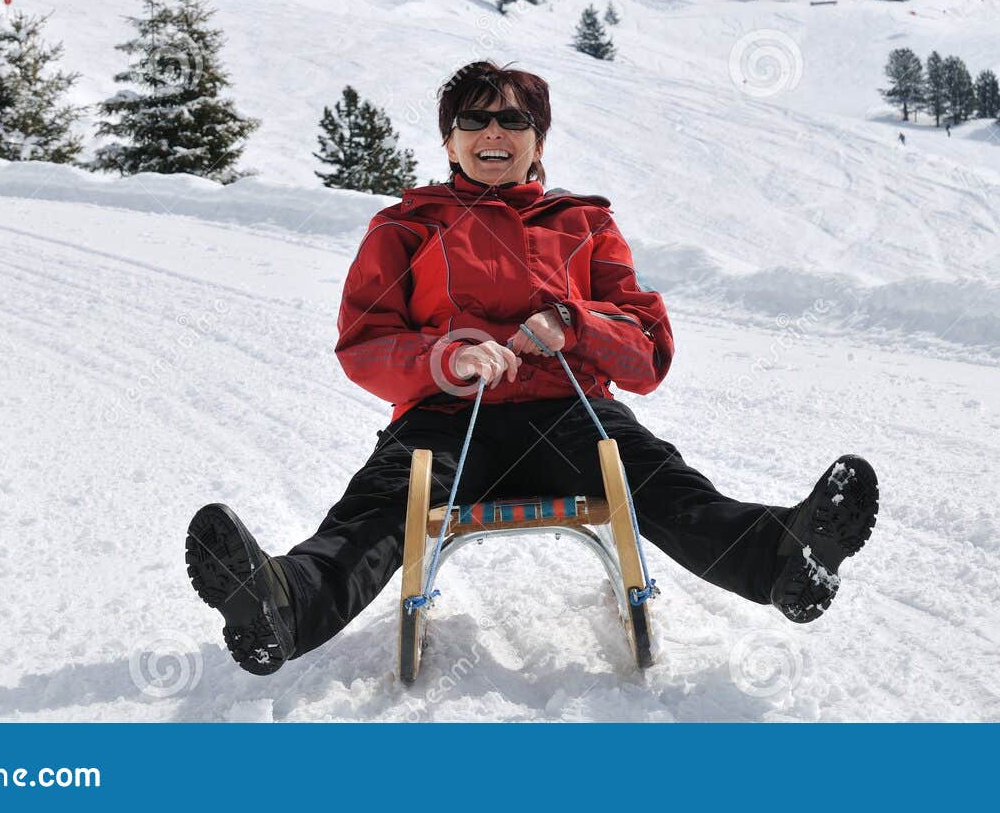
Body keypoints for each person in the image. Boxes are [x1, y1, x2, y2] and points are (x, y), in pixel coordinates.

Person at [186, 60, 879, 676]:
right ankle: (283, 603)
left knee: (658, 479)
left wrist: (574, 321)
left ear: (537, 141)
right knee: (385, 503)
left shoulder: (583, 224)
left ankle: (786, 557)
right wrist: (445, 357)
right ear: (450, 141)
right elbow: (364, 343)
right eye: (474, 118)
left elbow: (647, 349)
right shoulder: (405, 226)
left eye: (512, 117)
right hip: (451, 416)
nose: (494, 129)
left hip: (567, 415)